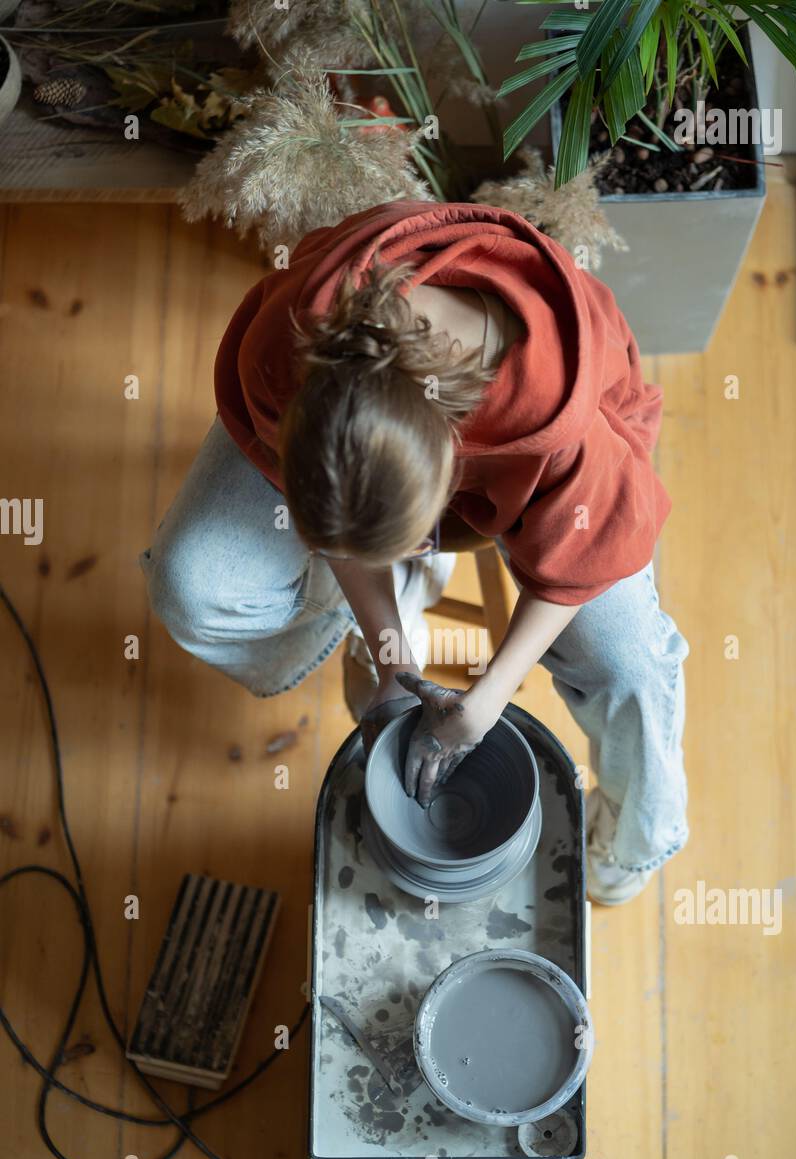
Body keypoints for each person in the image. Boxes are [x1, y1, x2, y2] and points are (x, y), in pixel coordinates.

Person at [140, 199, 689, 905]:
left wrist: (486, 700)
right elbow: (335, 519)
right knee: (192, 583)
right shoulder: (287, 347)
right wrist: (394, 657)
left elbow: (578, 565)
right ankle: (360, 625)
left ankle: (637, 838)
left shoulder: (557, 412)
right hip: (365, 446)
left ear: (454, 467)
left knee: (627, 664)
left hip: (570, 468)